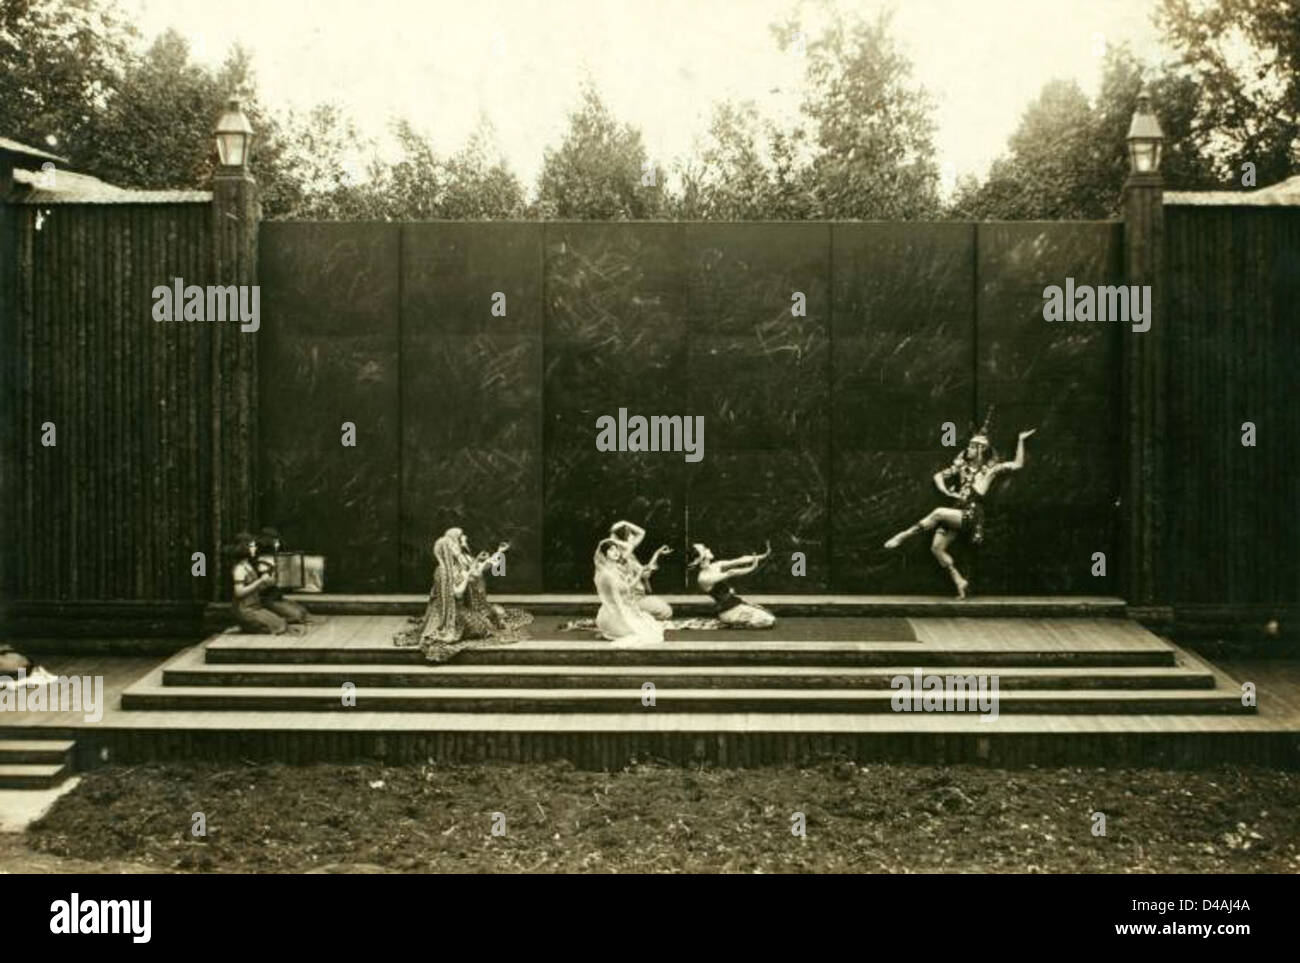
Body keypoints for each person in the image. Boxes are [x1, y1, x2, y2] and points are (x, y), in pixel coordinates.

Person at [883, 408, 1036, 599]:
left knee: (938, 512)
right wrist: (945, 490)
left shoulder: (990, 471)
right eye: (969, 446)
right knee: (937, 548)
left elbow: (1018, 464)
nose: (968, 449)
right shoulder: (961, 466)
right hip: (957, 512)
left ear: (981, 450)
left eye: (972, 447)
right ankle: (959, 581)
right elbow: (938, 475)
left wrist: (1021, 440)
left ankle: (903, 536)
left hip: (971, 515)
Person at [394, 527, 532, 661]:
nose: (463, 540)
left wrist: (496, 554)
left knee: (488, 619)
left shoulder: (457, 562)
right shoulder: (444, 570)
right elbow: (460, 590)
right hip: (451, 610)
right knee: (484, 625)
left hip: (460, 605)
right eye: (459, 539)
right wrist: (470, 573)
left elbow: (476, 570)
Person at [593, 538, 665, 645]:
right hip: (613, 615)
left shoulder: (616, 568)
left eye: (617, 549)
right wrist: (639, 574)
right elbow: (622, 594)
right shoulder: (606, 574)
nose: (616, 552)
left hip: (621, 608)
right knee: (646, 634)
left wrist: (640, 572)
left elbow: (628, 588)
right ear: (604, 553)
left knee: (651, 626)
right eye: (611, 549)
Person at [688, 541, 776, 628]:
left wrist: (763, 556)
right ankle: (734, 622)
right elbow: (731, 573)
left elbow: (739, 560)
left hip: (735, 603)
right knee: (767, 620)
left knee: (769, 616)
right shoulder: (703, 578)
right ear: (702, 556)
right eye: (705, 549)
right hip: (728, 611)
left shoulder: (715, 565)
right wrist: (752, 568)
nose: (708, 549)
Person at [607, 520, 673, 619]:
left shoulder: (628, 555)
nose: (634, 537)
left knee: (665, 610)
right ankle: (635, 617)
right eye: (631, 535)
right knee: (666, 612)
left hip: (638, 596)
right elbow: (641, 533)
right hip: (632, 599)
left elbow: (644, 572)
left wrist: (657, 554)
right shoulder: (622, 556)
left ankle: (637, 617)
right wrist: (621, 526)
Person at [229, 531, 287, 634]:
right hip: (244, 609)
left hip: (254, 606)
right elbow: (239, 592)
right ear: (244, 547)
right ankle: (246, 626)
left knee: (280, 622)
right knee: (274, 627)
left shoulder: (248, 565)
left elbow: (253, 588)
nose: (255, 548)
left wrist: (267, 583)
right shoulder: (240, 569)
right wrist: (260, 581)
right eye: (252, 546)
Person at [254, 527, 310, 625]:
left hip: (276, 596)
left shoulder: (276, 556)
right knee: (296, 616)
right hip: (266, 598)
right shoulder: (261, 559)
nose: (277, 544)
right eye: (274, 541)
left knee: (303, 612)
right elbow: (260, 585)